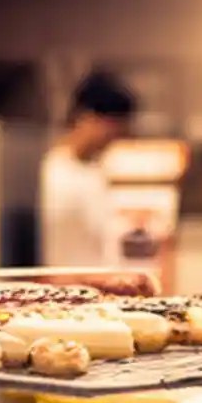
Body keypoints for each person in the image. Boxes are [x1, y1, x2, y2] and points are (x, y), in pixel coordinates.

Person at [39, 71, 135, 266]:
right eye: (111, 129)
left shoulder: (95, 171)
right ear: (87, 118)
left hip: (99, 284)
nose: (113, 139)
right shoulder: (54, 170)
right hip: (66, 286)